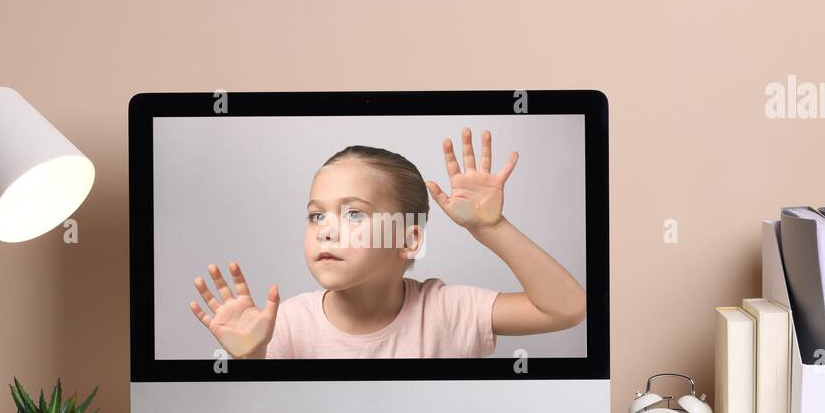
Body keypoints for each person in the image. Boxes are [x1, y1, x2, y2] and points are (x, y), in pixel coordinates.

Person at [188, 128, 587, 358]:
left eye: (354, 213)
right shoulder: (289, 324)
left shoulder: (447, 310)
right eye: (316, 215)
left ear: (409, 238)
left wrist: (491, 227)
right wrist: (252, 358)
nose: (327, 230)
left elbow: (565, 309)